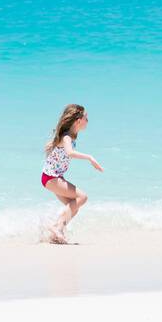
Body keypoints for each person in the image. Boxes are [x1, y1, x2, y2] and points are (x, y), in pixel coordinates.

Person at [40, 103, 103, 244]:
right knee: (83, 197)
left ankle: (55, 233)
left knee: (74, 205)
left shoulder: (72, 136)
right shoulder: (67, 138)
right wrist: (90, 158)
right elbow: (69, 152)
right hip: (51, 178)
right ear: (78, 121)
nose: (88, 121)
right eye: (86, 118)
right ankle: (56, 227)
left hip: (53, 177)